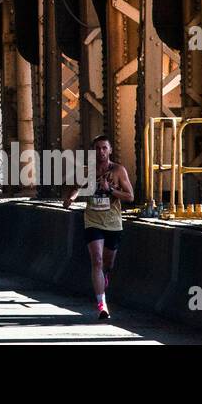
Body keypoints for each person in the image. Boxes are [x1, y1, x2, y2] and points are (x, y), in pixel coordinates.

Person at [63, 134, 133, 320]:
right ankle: (102, 304)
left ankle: (105, 277)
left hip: (112, 222)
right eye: (97, 148)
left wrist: (110, 189)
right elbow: (77, 187)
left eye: (104, 148)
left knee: (108, 263)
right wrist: (71, 197)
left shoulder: (118, 171)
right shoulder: (87, 170)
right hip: (93, 220)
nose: (101, 151)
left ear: (110, 150)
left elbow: (130, 196)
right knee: (97, 260)